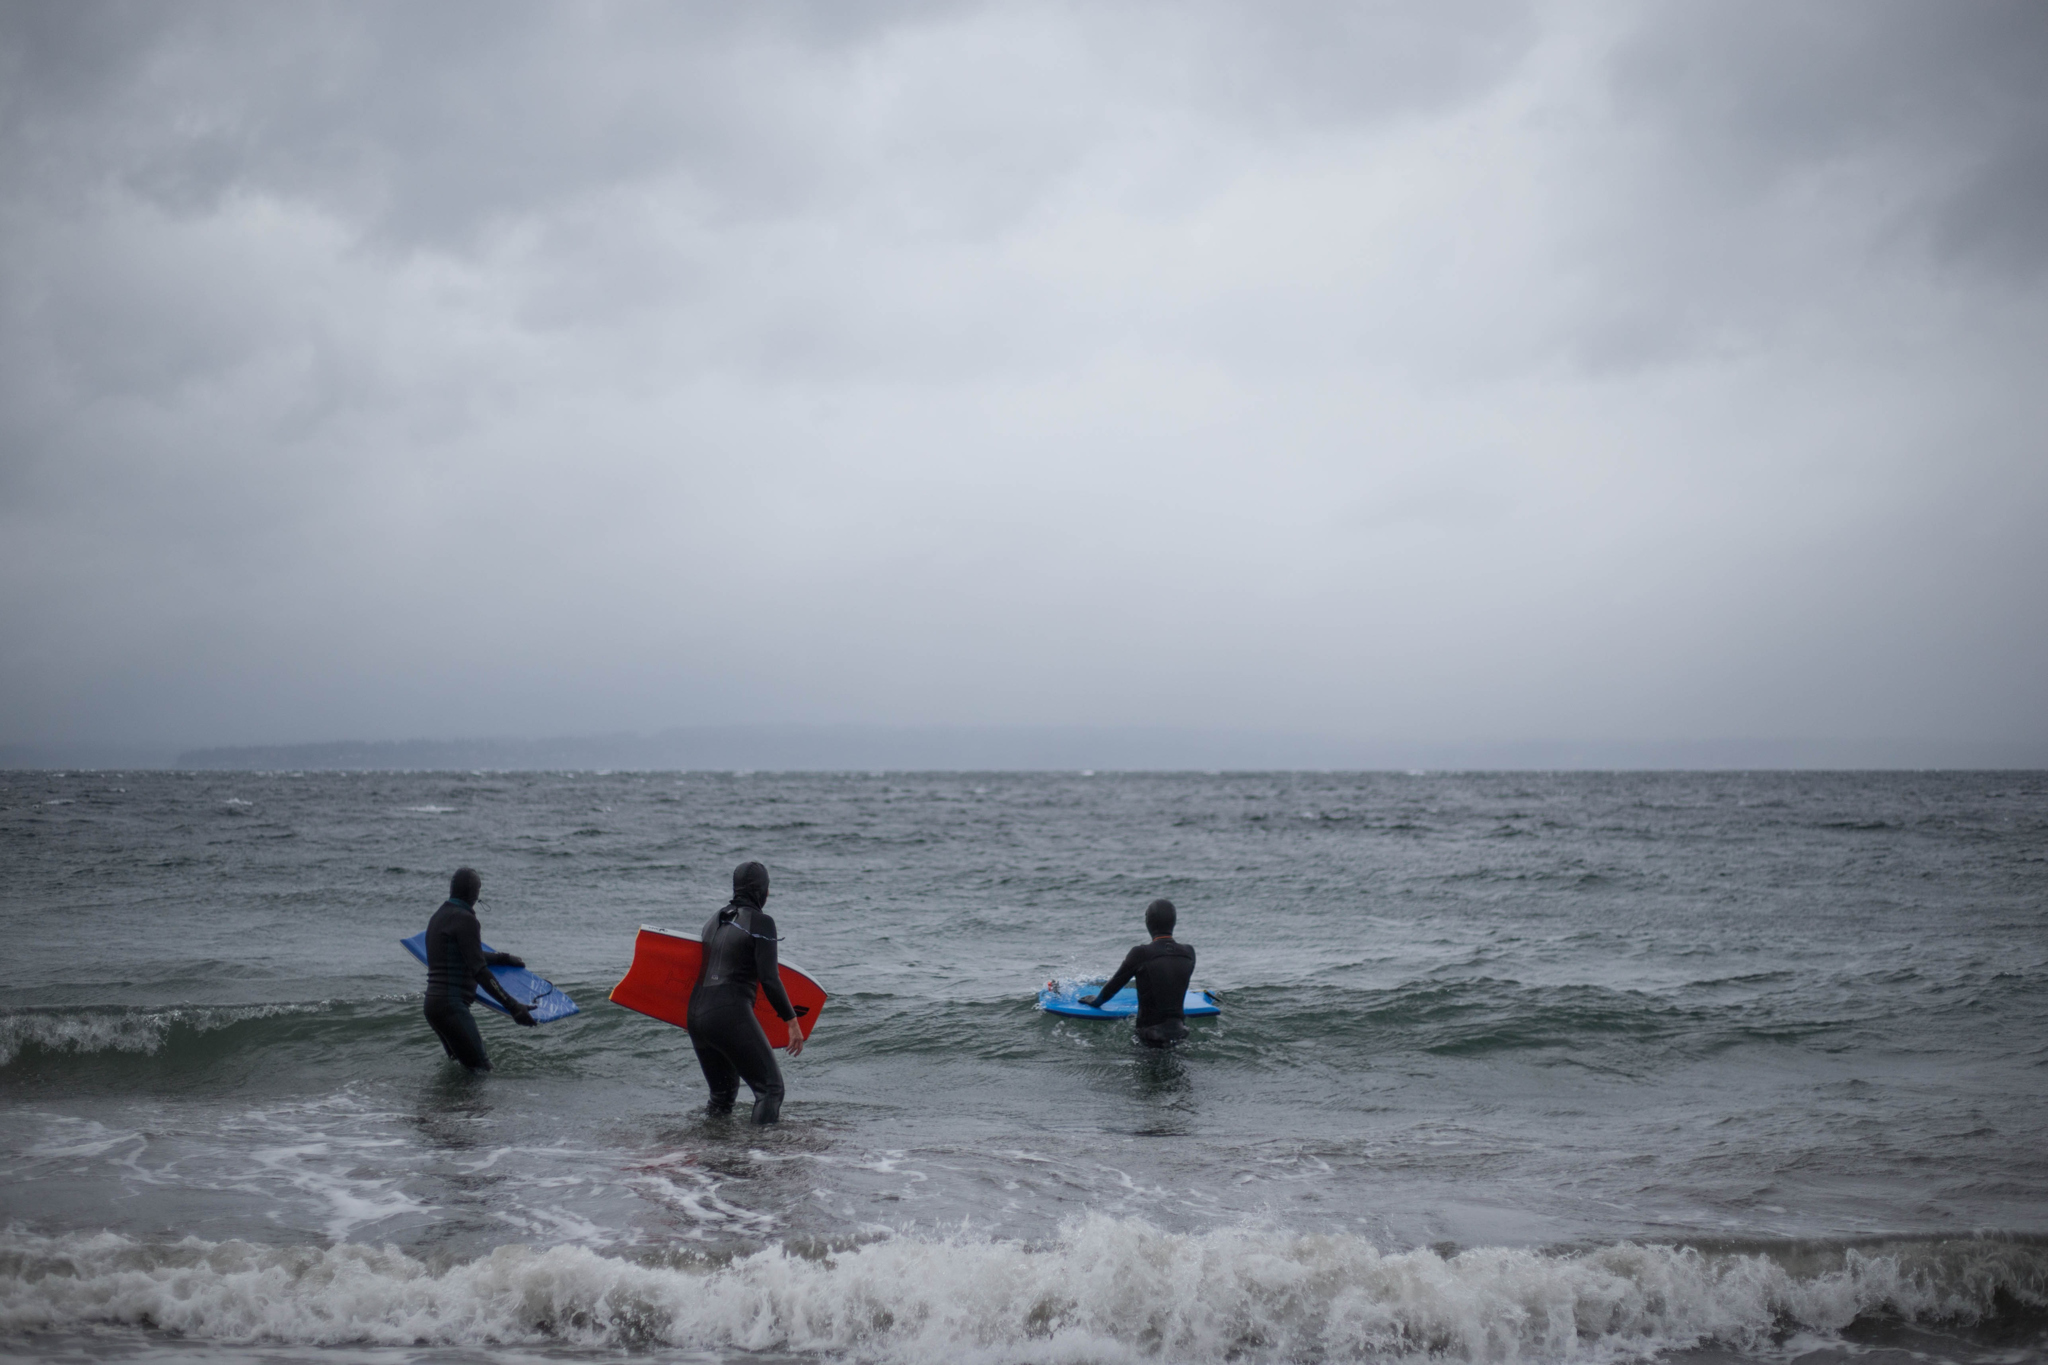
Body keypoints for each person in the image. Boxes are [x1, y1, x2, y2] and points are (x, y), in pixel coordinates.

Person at [688, 860, 802, 1124]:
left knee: (722, 1094)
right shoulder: (761, 922)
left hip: (696, 1015)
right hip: (729, 1012)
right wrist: (791, 1020)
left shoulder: (713, 921)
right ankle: (763, 1156)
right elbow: (770, 979)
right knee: (770, 1090)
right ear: (761, 890)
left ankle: (711, 1151)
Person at [422, 867, 534, 1071]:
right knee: (482, 1070)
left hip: (433, 1007)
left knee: (462, 1070)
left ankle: (449, 1103)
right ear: (475, 892)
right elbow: (479, 971)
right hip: (451, 1008)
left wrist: (503, 958)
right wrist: (513, 1006)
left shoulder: (439, 916)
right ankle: (471, 1104)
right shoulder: (466, 920)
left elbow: (468, 955)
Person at [1081, 898, 1196, 1048]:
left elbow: (1114, 987)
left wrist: (1095, 1001)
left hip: (1149, 1037)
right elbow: (1169, 982)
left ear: (1148, 922)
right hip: (1181, 1033)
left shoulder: (1140, 953)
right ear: (1173, 922)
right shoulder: (1189, 953)